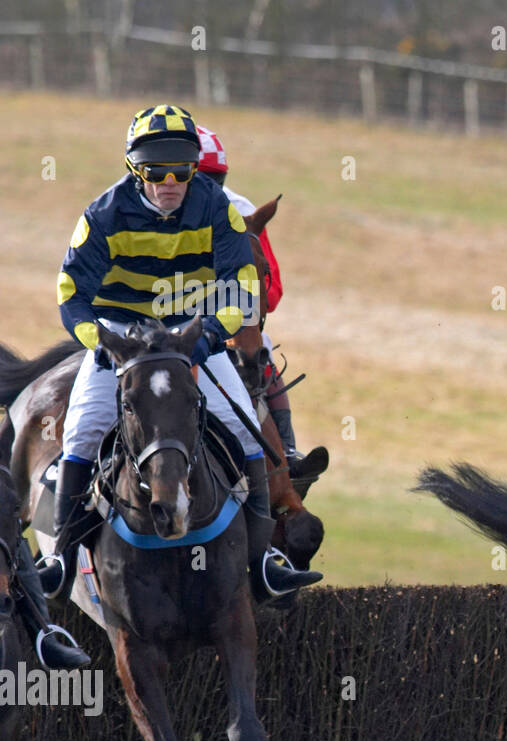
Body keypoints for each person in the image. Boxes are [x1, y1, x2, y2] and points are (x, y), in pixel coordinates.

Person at [42, 104, 321, 603]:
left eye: (181, 169)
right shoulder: (103, 214)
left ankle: (262, 565)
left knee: (245, 432)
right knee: (83, 430)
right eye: (156, 170)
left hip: (191, 329)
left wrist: (209, 336)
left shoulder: (217, 209)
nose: (170, 181)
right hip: (122, 333)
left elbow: (242, 286)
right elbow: (70, 292)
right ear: (135, 169)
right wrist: (101, 345)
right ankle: (61, 562)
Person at [194, 124, 327, 482]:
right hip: (157, 324)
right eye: (199, 179)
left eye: (214, 179)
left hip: (228, 326)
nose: (209, 190)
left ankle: (287, 453)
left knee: (260, 350)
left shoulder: (242, 210)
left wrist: (239, 308)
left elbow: (273, 290)